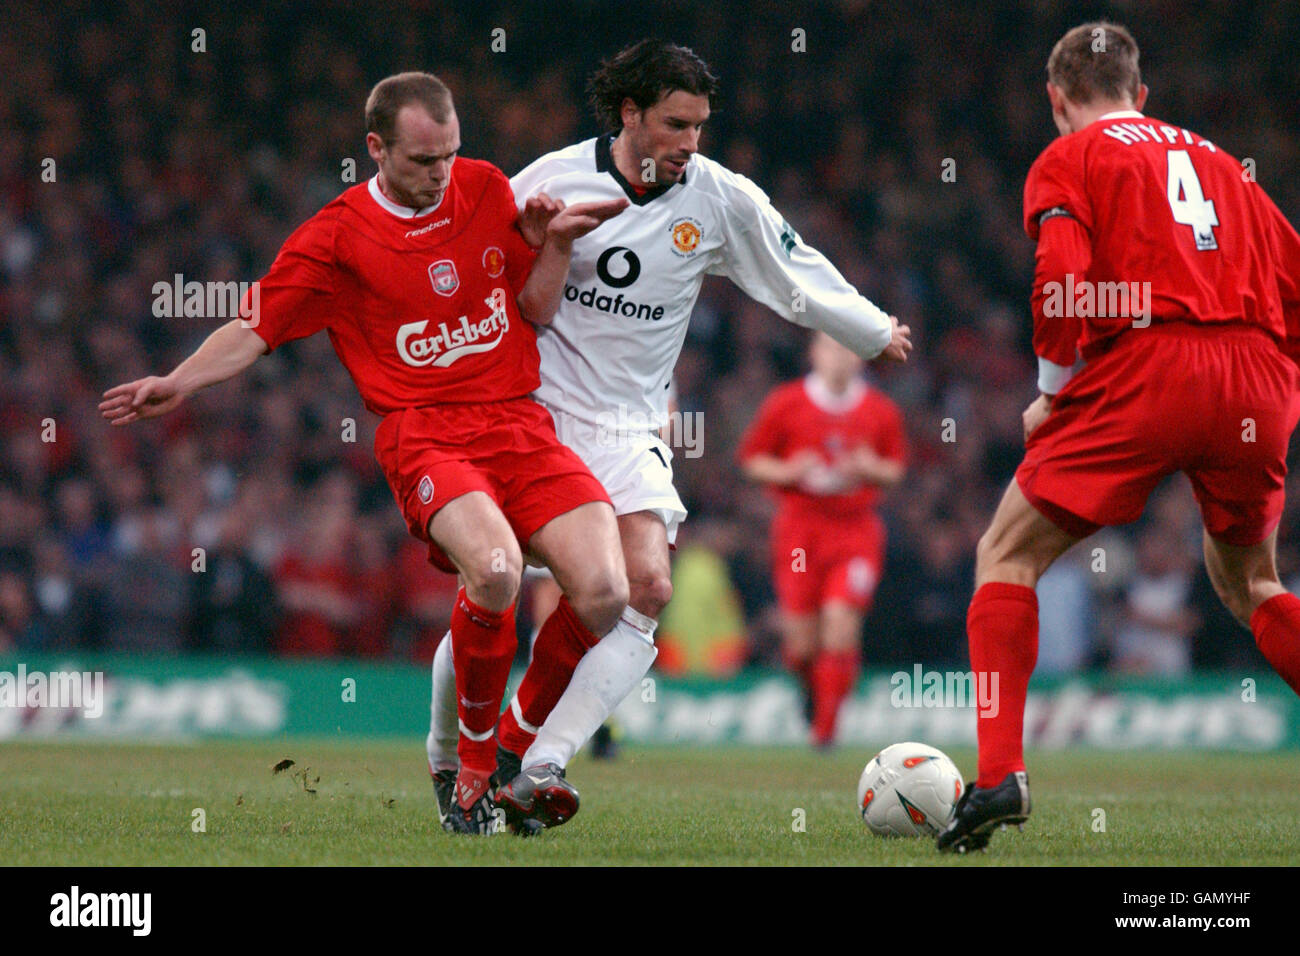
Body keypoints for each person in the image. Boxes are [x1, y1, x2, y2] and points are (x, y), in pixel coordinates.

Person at [100, 71, 632, 835]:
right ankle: (470, 773)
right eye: (422, 160)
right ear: (376, 148)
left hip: (519, 423)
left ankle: (511, 752)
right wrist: (179, 381)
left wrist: (550, 244)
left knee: (608, 593)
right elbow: (254, 326)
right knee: (495, 569)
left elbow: (534, 310)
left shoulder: (485, 189)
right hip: (425, 432)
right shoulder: (338, 236)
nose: (440, 173)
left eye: (449, 153)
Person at [426, 40, 912, 833]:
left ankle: (530, 760)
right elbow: (478, 282)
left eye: (701, 126)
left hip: (626, 426)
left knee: (645, 587)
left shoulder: (716, 197)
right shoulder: (548, 181)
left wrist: (865, 330)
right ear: (630, 114)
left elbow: (792, 269)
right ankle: (449, 755)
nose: (691, 142)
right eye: (676, 125)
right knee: (496, 584)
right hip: (533, 416)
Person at [937, 22, 1300, 852]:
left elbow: (1061, 280)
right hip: (1255, 372)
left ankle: (999, 779)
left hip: (1148, 364)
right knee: (1254, 587)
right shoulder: (1220, 162)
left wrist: (1051, 395)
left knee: (1007, 554)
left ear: (1055, 99)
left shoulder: (1070, 156)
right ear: (1142, 95)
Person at [737, 331, 907, 747]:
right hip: (800, 530)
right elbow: (752, 461)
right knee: (801, 643)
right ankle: (811, 690)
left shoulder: (879, 410)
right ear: (814, 353)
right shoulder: (786, 403)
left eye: (849, 348)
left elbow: (896, 470)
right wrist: (789, 472)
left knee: (841, 623)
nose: (840, 358)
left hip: (855, 529)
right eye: (832, 347)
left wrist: (869, 468)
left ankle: (825, 734)